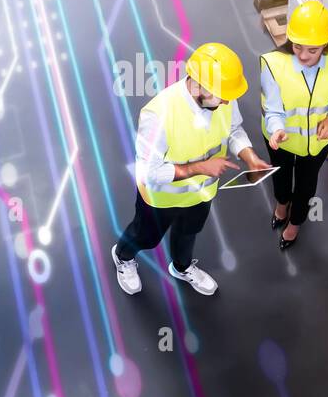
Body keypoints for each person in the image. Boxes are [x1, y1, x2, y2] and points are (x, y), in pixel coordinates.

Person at [111, 42, 271, 296]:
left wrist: (248, 154)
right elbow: (148, 174)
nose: (228, 100)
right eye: (222, 95)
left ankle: (182, 267)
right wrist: (200, 168)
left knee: (188, 234)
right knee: (146, 236)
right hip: (160, 199)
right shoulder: (159, 115)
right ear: (198, 85)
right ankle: (122, 256)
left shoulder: (222, 97)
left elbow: (233, 129)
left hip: (201, 194)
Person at [259, 2, 328, 251]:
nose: (303, 55)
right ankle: (281, 206)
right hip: (282, 139)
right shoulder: (272, 64)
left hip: (317, 142)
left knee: (306, 185)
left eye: (312, 50)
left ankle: (295, 224)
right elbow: (273, 108)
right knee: (281, 176)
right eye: (297, 47)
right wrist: (277, 129)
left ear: (326, 43)